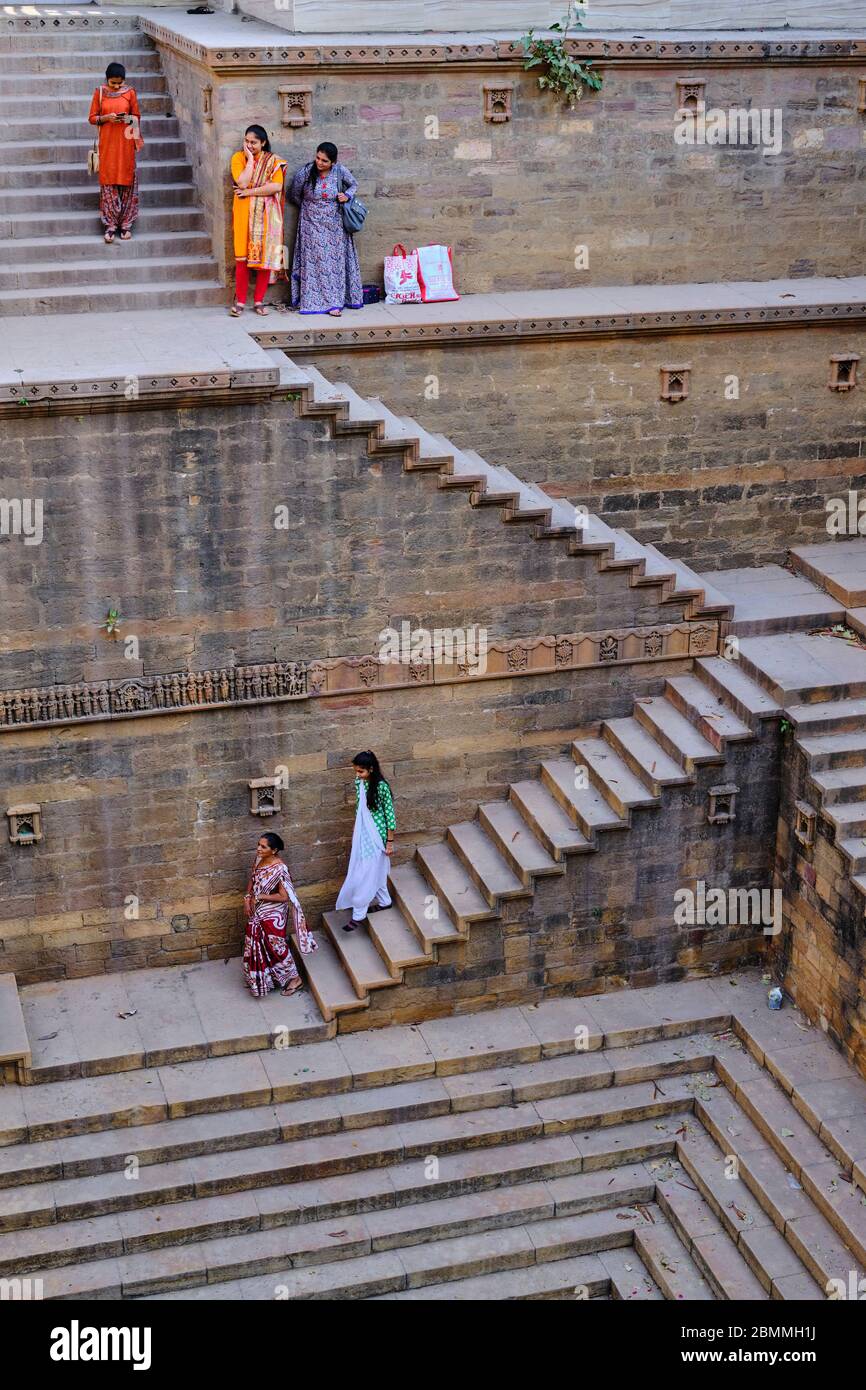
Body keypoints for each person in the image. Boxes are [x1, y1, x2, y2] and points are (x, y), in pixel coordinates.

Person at [287, 141, 363, 317]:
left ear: (333, 162)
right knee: (315, 264)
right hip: (310, 225)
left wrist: (347, 195)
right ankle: (313, 301)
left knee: (333, 264)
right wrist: (309, 208)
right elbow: (294, 194)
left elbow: (354, 184)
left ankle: (335, 302)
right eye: (318, 158)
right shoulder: (306, 172)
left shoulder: (339, 171)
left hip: (334, 226)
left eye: (324, 161)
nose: (319, 163)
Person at [242, 831, 316, 997]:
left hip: (274, 913)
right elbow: (252, 880)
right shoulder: (259, 860)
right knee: (257, 943)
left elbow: (283, 897)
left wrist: (260, 896)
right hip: (257, 910)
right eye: (258, 845)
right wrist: (247, 897)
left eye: (263, 846)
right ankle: (269, 979)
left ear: (274, 850)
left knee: (277, 946)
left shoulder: (280, 869)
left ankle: (295, 979)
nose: (258, 849)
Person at [230, 125, 286, 317]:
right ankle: (240, 301)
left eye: (254, 142)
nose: (249, 145)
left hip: (266, 216)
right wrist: (251, 161)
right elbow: (242, 182)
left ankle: (259, 301)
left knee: (264, 258)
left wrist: (249, 193)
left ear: (263, 143)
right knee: (241, 258)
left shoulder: (273, 161)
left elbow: (276, 186)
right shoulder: (238, 158)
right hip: (243, 214)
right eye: (247, 141)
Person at [336, 751, 396, 931]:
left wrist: (390, 842)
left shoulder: (381, 787)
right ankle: (385, 901)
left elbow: (390, 815)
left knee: (366, 872)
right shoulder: (359, 782)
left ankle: (358, 914)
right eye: (356, 771)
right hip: (363, 833)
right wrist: (357, 827)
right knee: (372, 869)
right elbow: (359, 806)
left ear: (371, 769)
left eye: (360, 771)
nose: (357, 775)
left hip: (377, 836)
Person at [88, 62, 143, 244]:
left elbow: (137, 117)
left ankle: (126, 224)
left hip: (126, 144)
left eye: (120, 83)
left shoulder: (130, 93)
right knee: (109, 181)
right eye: (113, 83)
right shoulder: (100, 93)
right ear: (107, 80)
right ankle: (110, 225)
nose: (117, 86)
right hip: (108, 144)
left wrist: (127, 118)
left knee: (126, 181)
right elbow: (92, 118)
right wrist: (106, 118)